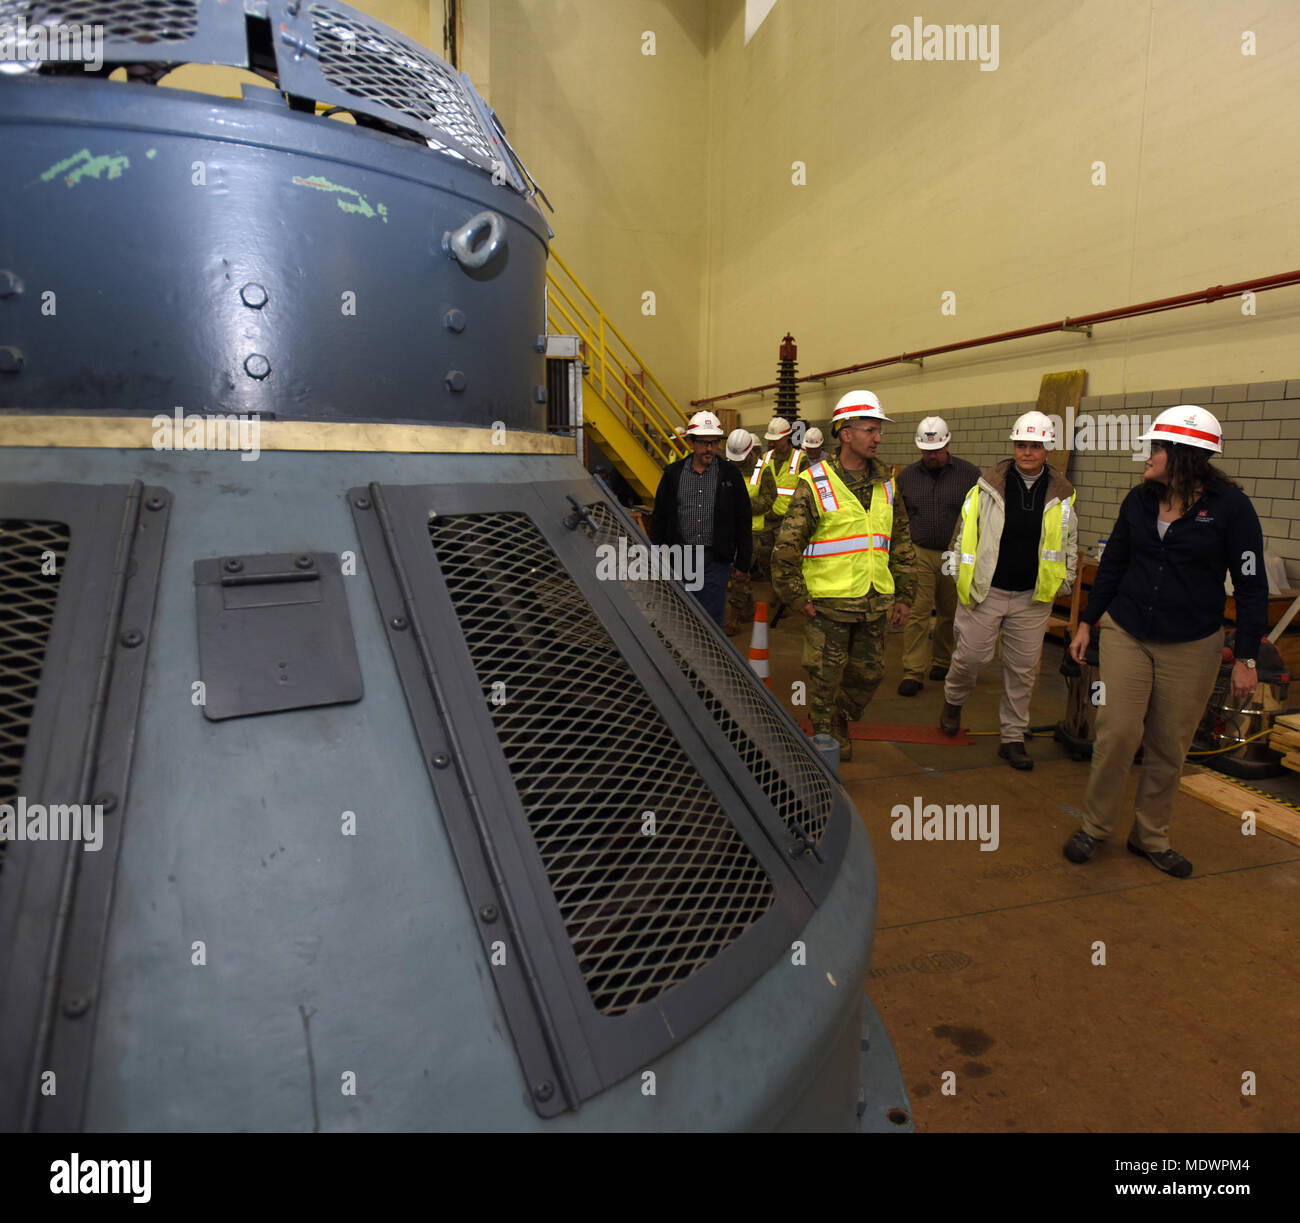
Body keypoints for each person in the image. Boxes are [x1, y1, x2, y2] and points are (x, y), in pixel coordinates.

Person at [1063, 406, 1266, 877]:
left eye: (1156, 447)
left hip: (1193, 643)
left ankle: (1150, 836)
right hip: (1127, 630)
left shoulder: (1231, 508)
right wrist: (1088, 622)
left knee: (1169, 743)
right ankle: (1094, 827)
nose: (1148, 455)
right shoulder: (1138, 500)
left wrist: (1248, 657)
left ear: (1183, 455)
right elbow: (1113, 564)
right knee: (1116, 731)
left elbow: (1251, 584)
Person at [772, 390, 917, 760]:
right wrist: (797, 598)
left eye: (879, 430)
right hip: (828, 606)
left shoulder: (887, 482)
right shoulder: (815, 482)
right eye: (870, 429)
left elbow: (899, 540)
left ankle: (842, 717)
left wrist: (905, 594)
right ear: (846, 432)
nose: (878, 437)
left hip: (874, 602)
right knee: (824, 679)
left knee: (869, 676)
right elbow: (786, 548)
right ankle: (824, 742)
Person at [939, 410, 1077, 770]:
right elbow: (962, 532)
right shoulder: (987, 486)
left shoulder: (1062, 494)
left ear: (1047, 448)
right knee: (971, 657)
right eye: (1021, 445)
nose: (1027, 452)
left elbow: (1069, 541)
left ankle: (1013, 736)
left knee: (1022, 670)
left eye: (1034, 445)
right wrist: (957, 573)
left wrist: (1066, 579)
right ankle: (953, 700)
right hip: (987, 591)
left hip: (1033, 598)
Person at [895, 416, 979, 696]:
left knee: (949, 613)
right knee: (917, 612)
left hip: (953, 555)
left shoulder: (969, 475)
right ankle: (913, 671)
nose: (932, 456)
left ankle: (942, 661)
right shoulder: (906, 477)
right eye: (926, 451)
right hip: (919, 552)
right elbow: (898, 518)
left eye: (937, 451)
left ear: (947, 444)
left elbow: (979, 516)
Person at [649, 410, 753, 628]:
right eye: (704, 443)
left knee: (712, 617)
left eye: (714, 443)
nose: (709, 449)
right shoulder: (673, 474)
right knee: (681, 613)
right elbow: (660, 517)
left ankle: (710, 659)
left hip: (715, 559)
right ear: (691, 442)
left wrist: (743, 560)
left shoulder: (729, 475)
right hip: (681, 557)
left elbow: (743, 518)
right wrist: (657, 556)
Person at [723, 427, 771, 635]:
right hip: (729, 530)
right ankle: (748, 607)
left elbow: (770, 498)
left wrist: (743, 506)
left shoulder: (763, 470)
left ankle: (733, 617)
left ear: (751, 451)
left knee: (739, 573)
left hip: (753, 532)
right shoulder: (725, 468)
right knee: (738, 572)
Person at [750, 417, 806, 582]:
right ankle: (774, 586)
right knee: (764, 557)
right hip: (767, 518)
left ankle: (786, 590)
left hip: (788, 519)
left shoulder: (800, 459)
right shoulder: (765, 458)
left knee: (787, 559)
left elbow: (805, 491)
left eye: (777, 439)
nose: (774, 443)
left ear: (787, 437)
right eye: (771, 440)